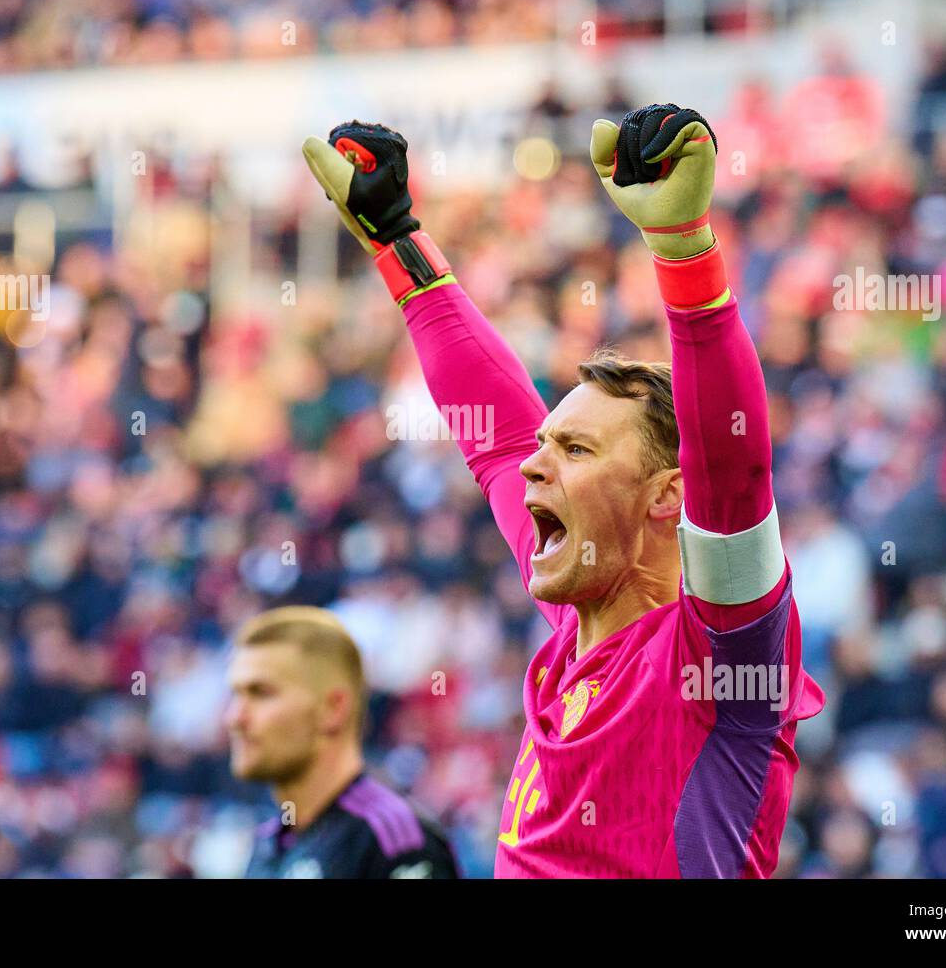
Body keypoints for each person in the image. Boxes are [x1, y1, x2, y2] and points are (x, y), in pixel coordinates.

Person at [301, 106, 826, 878]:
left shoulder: (720, 653)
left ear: (668, 496)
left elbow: (735, 469)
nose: (536, 467)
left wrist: (683, 252)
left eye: (576, 449)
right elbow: (498, 441)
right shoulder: (574, 618)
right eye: (550, 445)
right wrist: (397, 240)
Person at [227, 605, 459, 878]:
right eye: (235, 694)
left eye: (261, 693)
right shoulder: (267, 844)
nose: (234, 718)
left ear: (333, 709)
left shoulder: (394, 842)